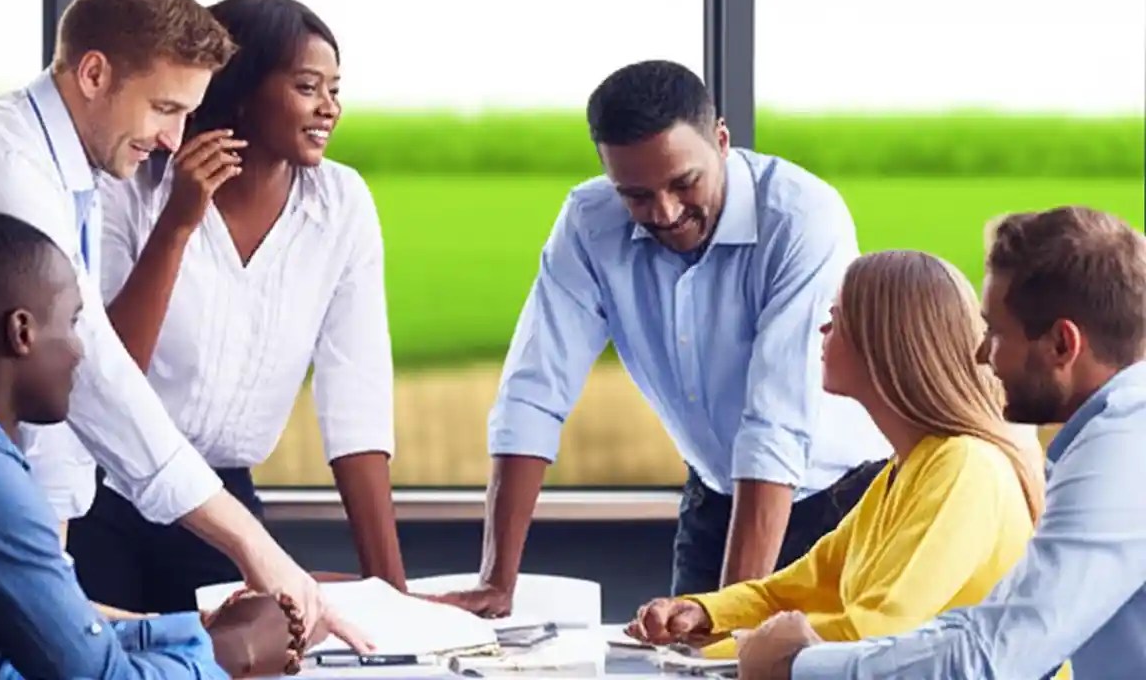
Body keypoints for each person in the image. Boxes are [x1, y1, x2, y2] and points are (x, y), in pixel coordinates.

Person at [0, 0, 364, 646]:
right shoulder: (9, 170)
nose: (172, 139)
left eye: (187, 113)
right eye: (163, 108)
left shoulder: (71, 166)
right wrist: (254, 546)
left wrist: (100, 610)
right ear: (94, 73)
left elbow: (55, 391)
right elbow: (96, 374)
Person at [433, 59, 890, 617]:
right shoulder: (588, 223)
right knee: (687, 668)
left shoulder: (801, 218)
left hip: (845, 503)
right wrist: (496, 582)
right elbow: (533, 394)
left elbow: (775, 426)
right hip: (716, 493)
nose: (666, 212)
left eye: (683, 183)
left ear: (721, 141)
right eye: (637, 195)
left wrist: (722, 616)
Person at [64, 0, 407, 613]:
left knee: (249, 650)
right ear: (241, 89)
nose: (329, 108)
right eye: (308, 86)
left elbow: (355, 398)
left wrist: (392, 591)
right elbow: (106, 375)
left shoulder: (342, 206)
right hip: (100, 493)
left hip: (217, 502)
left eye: (335, 88)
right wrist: (177, 225)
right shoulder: (130, 188)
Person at [0, 210, 312, 679]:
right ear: (22, 333)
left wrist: (199, 634)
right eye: (73, 322)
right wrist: (234, 649)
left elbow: (46, 644)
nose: (81, 350)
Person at [736, 206, 1146, 680]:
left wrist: (797, 666)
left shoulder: (1122, 449)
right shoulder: (1109, 439)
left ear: (1061, 344)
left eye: (994, 332)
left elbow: (990, 656)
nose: (980, 354)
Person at [625, 250, 1046, 659]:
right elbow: (796, 589)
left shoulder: (964, 468)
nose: (822, 332)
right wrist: (703, 613)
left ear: (884, 343)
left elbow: (875, 631)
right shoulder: (906, 471)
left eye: (836, 318)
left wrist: (729, 651)